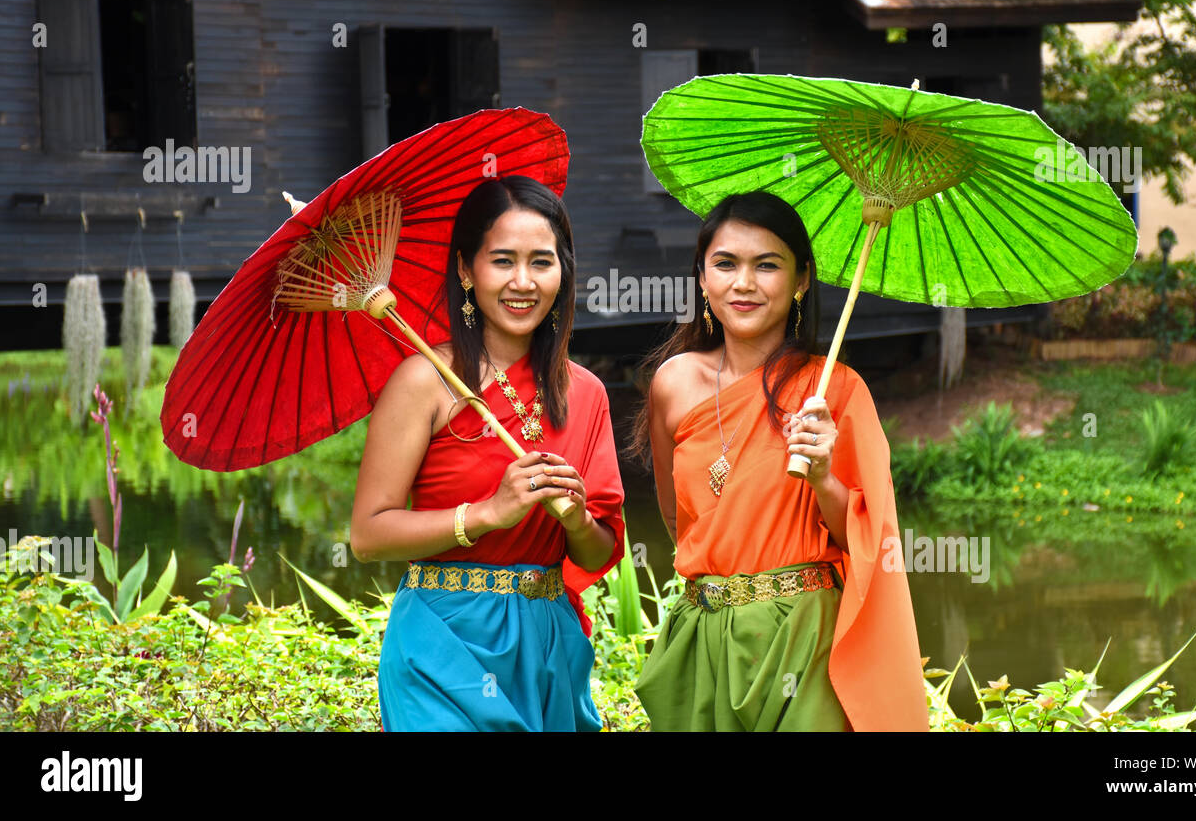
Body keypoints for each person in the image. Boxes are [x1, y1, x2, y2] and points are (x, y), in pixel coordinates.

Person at [628, 191, 928, 731]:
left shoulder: (834, 388)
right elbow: (679, 524)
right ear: (701, 278)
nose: (744, 283)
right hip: (703, 635)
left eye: (767, 265)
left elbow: (866, 537)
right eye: (725, 264)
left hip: (800, 636)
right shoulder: (673, 383)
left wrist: (824, 477)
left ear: (801, 280)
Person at [351, 175, 625, 731]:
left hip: (547, 644)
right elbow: (368, 535)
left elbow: (598, 555)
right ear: (465, 270)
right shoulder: (423, 382)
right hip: (441, 642)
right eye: (502, 261)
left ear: (563, 271)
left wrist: (574, 521)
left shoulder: (586, 393)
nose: (522, 282)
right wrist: (486, 514)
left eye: (541, 262)